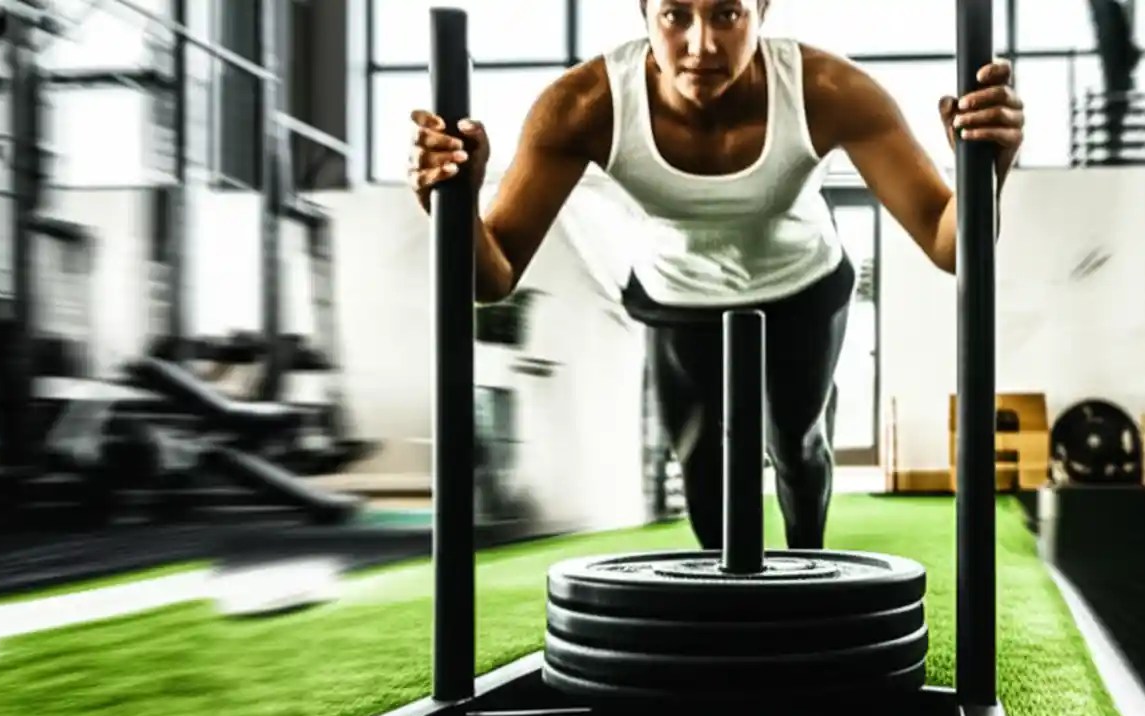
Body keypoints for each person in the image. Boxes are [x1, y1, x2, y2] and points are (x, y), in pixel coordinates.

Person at [407, 0, 1025, 550]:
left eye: (726, 15)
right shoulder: (582, 106)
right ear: (644, 15)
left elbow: (950, 247)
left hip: (802, 285)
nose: (701, 45)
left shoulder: (830, 89)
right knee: (704, 470)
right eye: (676, 15)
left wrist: (987, 169)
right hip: (678, 295)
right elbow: (492, 278)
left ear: (762, 12)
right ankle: (720, 609)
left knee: (799, 445)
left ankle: (811, 567)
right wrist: (451, 202)